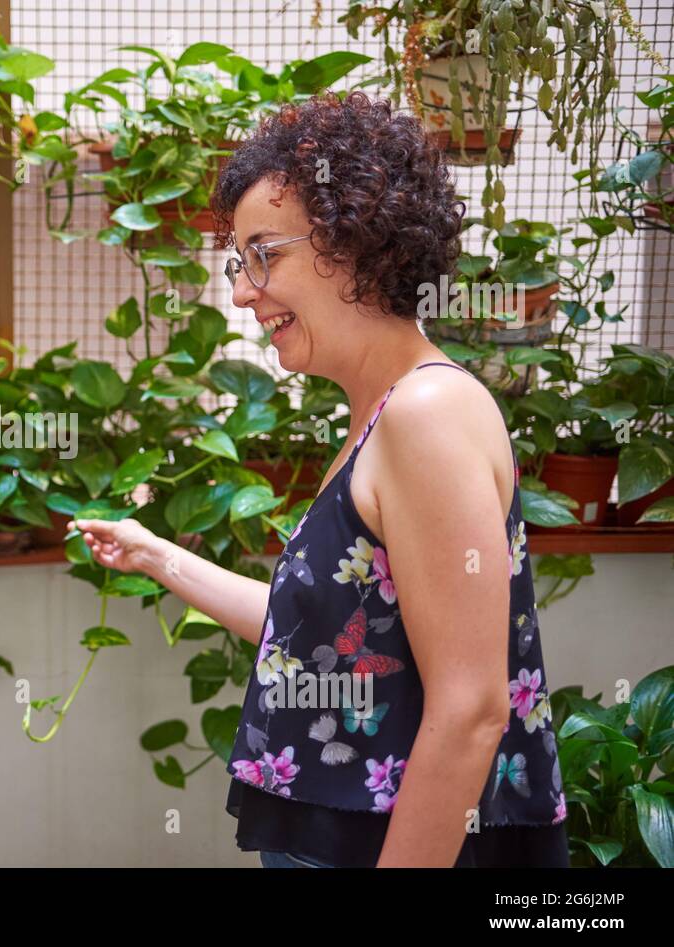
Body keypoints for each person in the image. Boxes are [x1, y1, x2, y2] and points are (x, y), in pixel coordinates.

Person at [74, 92, 569, 868]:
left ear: (354, 237)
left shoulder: (426, 412)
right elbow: (311, 637)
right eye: (240, 264)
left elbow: (473, 708)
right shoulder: (384, 412)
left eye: (263, 255)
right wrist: (154, 556)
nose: (241, 291)